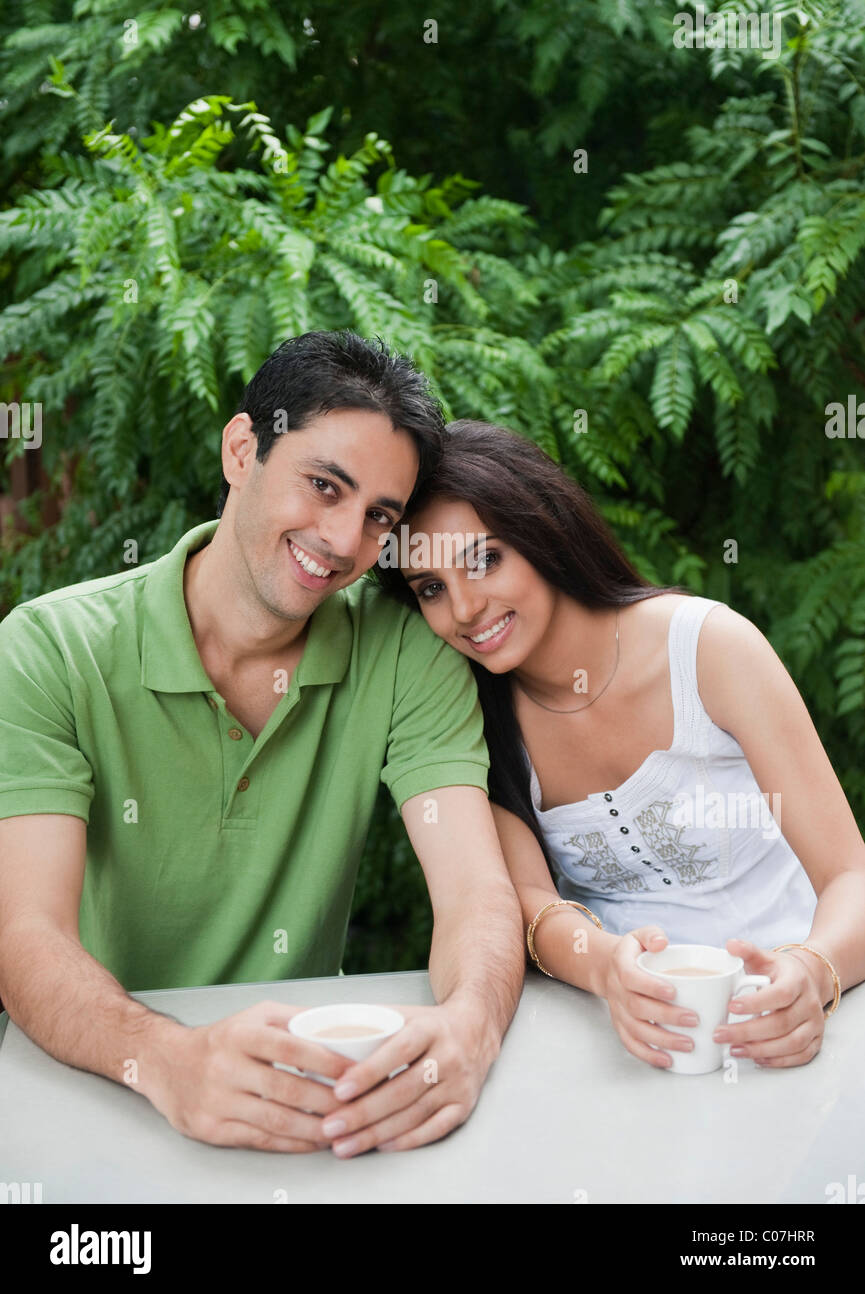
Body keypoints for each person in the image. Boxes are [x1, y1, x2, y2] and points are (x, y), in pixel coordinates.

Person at [0, 334, 524, 1158]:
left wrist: (470, 1029)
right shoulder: (49, 650)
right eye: (323, 486)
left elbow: (476, 895)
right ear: (242, 449)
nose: (345, 541)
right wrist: (167, 1059)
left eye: (379, 517)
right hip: (99, 1086)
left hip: (321, 1100)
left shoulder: (406, 651)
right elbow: (26, 938)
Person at [379, 419, 865, 1070]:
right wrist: (603, 963)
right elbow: (526, 900)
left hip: (809, 1023)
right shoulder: (471, 711)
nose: (463, 608)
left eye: (484, 559)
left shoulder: (707, 650)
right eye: (430, 589)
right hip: (629, 1038)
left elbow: (849, 874)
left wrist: (813, 971)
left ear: (543, 532)